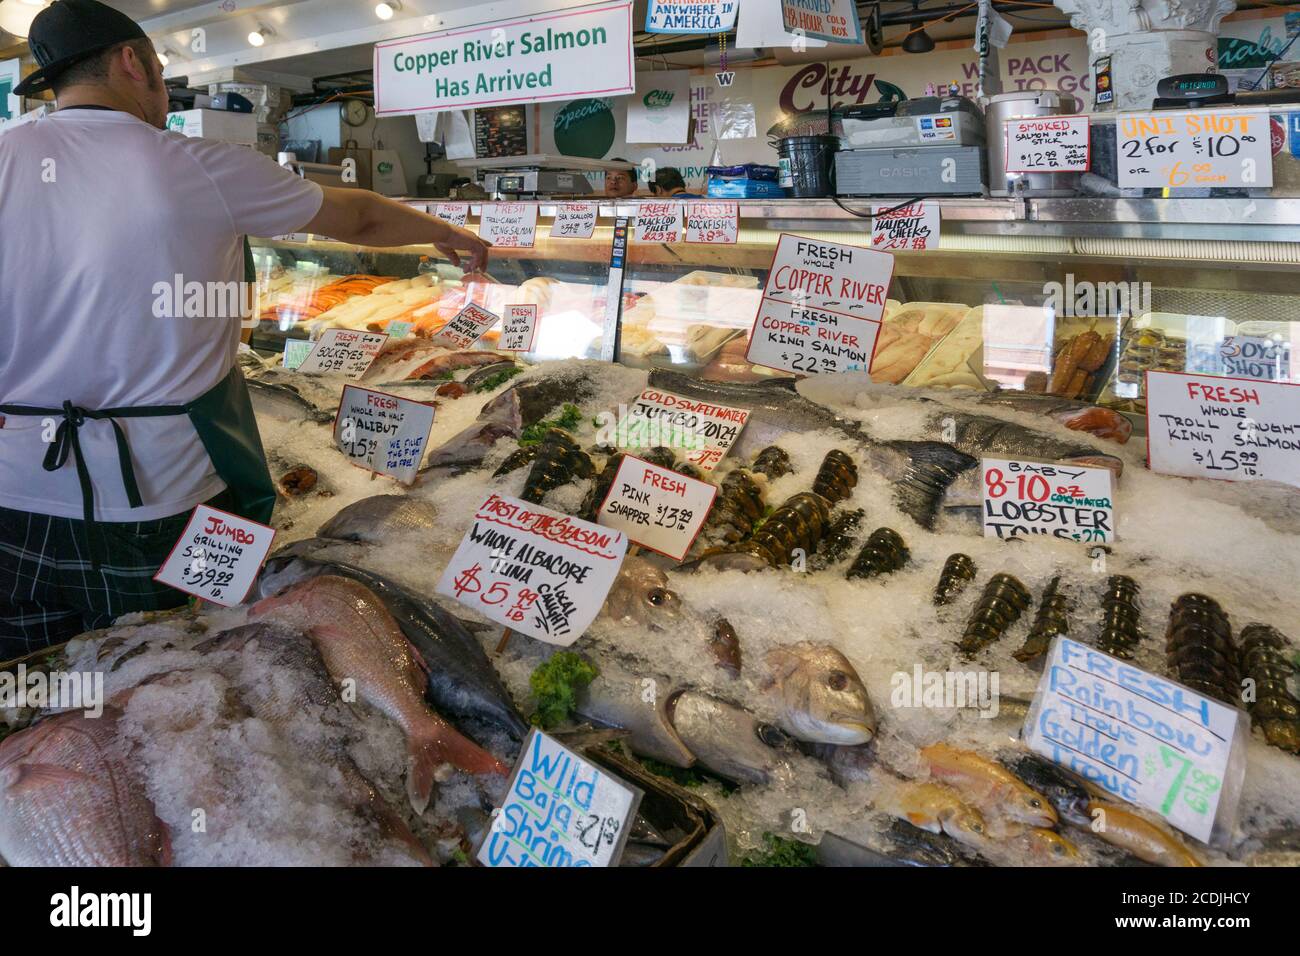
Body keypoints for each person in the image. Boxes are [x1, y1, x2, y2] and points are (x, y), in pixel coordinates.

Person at [0, 0, 489, 654]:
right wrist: (448, 234)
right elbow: (360, 221)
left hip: (13, 496)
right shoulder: (191, 164)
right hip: (158, 500)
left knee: (29, 691)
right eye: (161, 70)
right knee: (166, 671)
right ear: (132, 61)